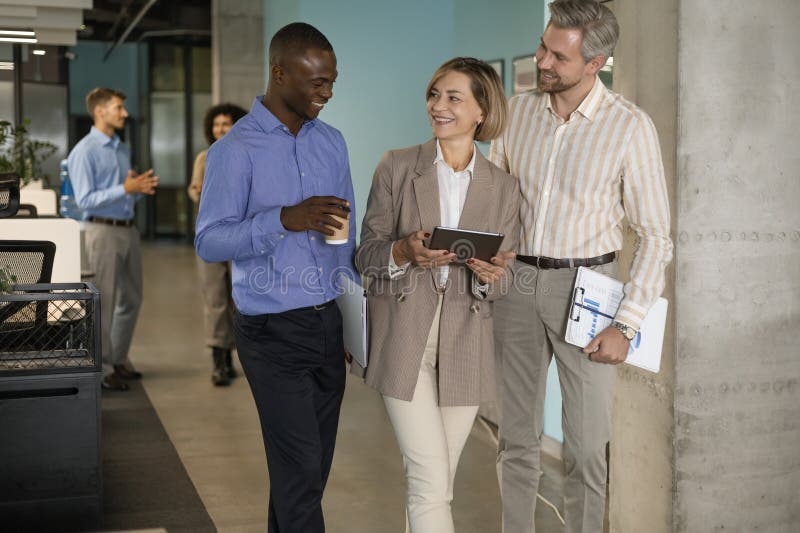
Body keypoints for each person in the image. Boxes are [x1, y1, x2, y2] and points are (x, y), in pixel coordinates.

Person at [489, 1, 674, 532]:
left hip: (590, 288)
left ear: (595, 63)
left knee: (588, 449)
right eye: (544, 47)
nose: (542, 61)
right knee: (516, 439)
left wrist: (626, 324)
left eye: (558, 57)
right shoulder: (517, 112)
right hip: (517, 283)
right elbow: (494, 200)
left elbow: (657, 237)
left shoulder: (629, 128)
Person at [194, 22, 355, 533]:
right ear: (279, 73)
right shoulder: (233, 151)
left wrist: (352, 319)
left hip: (328, 322)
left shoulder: (332, 143)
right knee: (301, 467)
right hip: (271, 331)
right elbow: (209, 241)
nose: (327, 93)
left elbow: (344, 241)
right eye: (316, 83)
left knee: (307, 472)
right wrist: (282, 219)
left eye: (332, 81)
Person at [356, 57, 521, 533]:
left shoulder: (504, 188)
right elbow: (366, 255)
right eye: (434, 95)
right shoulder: (397, 165)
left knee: (434, 481)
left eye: (453, 97)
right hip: (404, 337)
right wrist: (403, 253)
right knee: (429, 476)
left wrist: (492, 274)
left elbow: (505, 279)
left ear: (481, 113)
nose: (438, 106)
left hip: (465, 343)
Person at [68, 87, 159, 391]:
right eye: (118, 107)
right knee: (103, 302)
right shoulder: (84, 151)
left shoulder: (121, 148)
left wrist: (138, 189)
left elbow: (124, 188)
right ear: (99, 111)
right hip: (101, 231)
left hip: (128, 229)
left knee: (132, 298)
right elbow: (85, 199)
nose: (125, 113)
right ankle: (104, 370)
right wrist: (126, 189)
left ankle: (118, 358)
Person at [187, 102, 247, 386]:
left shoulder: (248, 155)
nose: (220, 129)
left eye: (226, 123)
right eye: (217, 124)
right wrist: (196, 191)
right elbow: (194, 191)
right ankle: (218, 360)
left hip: (239, 236)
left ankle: (235, 355)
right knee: (215, 299)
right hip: (210, 236)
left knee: (239, 297)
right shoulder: (204, 157)